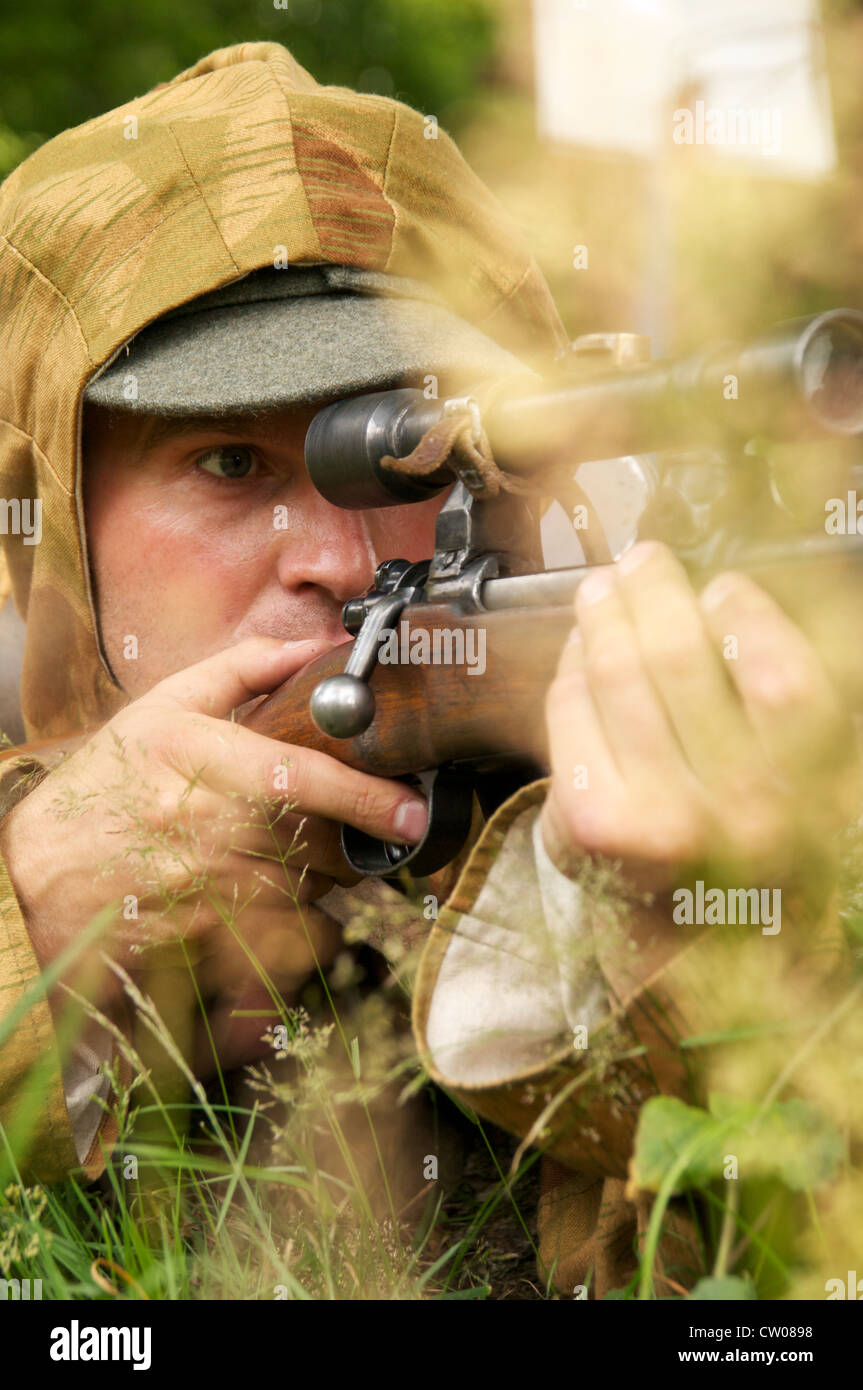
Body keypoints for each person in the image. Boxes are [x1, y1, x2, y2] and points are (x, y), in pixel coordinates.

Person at [0, 40, 851, 1297]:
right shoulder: (33, 876)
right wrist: (38, 947)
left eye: (416, 464)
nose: (345, 559)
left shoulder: (659, 824)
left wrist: (713, 966)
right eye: (231, 465)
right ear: (54, 525)